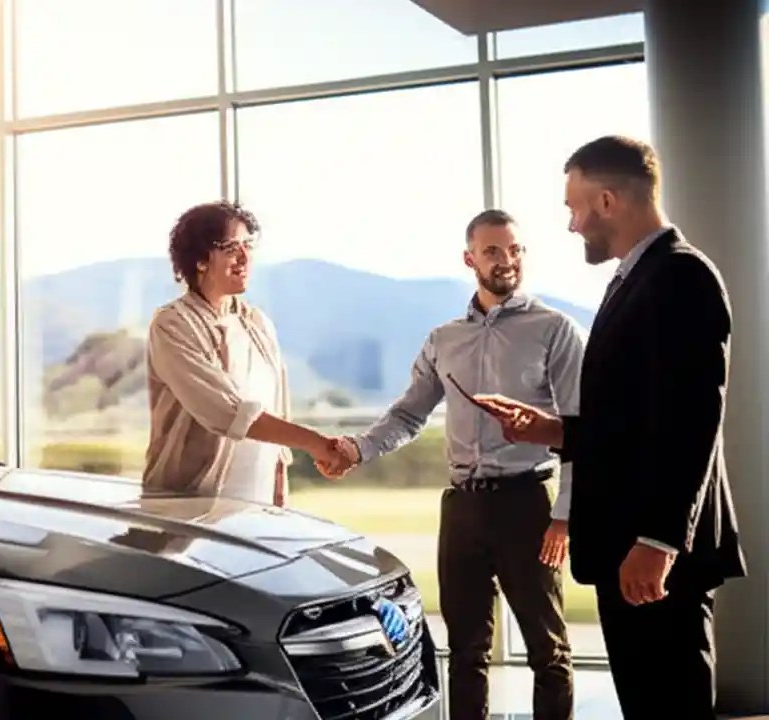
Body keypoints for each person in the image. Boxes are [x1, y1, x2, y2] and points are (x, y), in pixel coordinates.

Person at [475, 136, 747, 720]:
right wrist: (553, 430)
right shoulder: (637, 277)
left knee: (671, 705)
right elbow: (636, 417)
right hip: (627, 546)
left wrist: (658, 540)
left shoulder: (680, 276)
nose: (571, 226)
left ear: (606, 201)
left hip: (649, 552)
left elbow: (692, 419)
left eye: (574, 209)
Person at [333, 209, 582, 720]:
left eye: (514, 250)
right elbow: (407, 414)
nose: (506, 261)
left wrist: (564, 515)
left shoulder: (554, 330)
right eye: (493, 251)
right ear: (469, 258)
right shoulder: (444, 339)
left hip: (529, 506)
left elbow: (581, 426)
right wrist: (359, 449)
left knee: (547, 649)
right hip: (463, 509)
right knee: (465, 649)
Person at [143, 200, 348, 505]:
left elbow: (277, 411)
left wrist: (278, 495)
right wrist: (315, 443)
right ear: (200, 260)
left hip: (253, 507)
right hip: (186, 506)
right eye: (230, 248)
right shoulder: (173, 324)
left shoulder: (257, 322)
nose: (244, 258)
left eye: (248, 246)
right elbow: (225, 411)